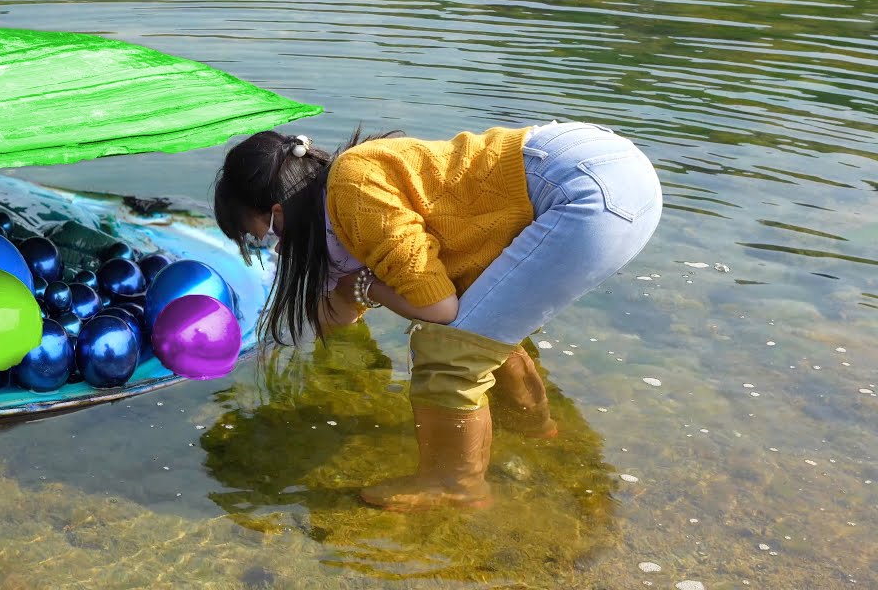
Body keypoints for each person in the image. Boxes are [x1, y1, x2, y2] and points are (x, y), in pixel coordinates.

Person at [212, 121, 662, 511]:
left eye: (258, 240)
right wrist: (343, 371)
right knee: (488, 326)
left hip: (585, 193)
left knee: (449, 348)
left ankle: (455, 485)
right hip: (607, 172)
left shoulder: (353, 193)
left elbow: (438, 310)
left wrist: (366, 287)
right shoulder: (337, 201)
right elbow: (339, 311)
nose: (271, 250)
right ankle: (533, 428)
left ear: (276, 213)